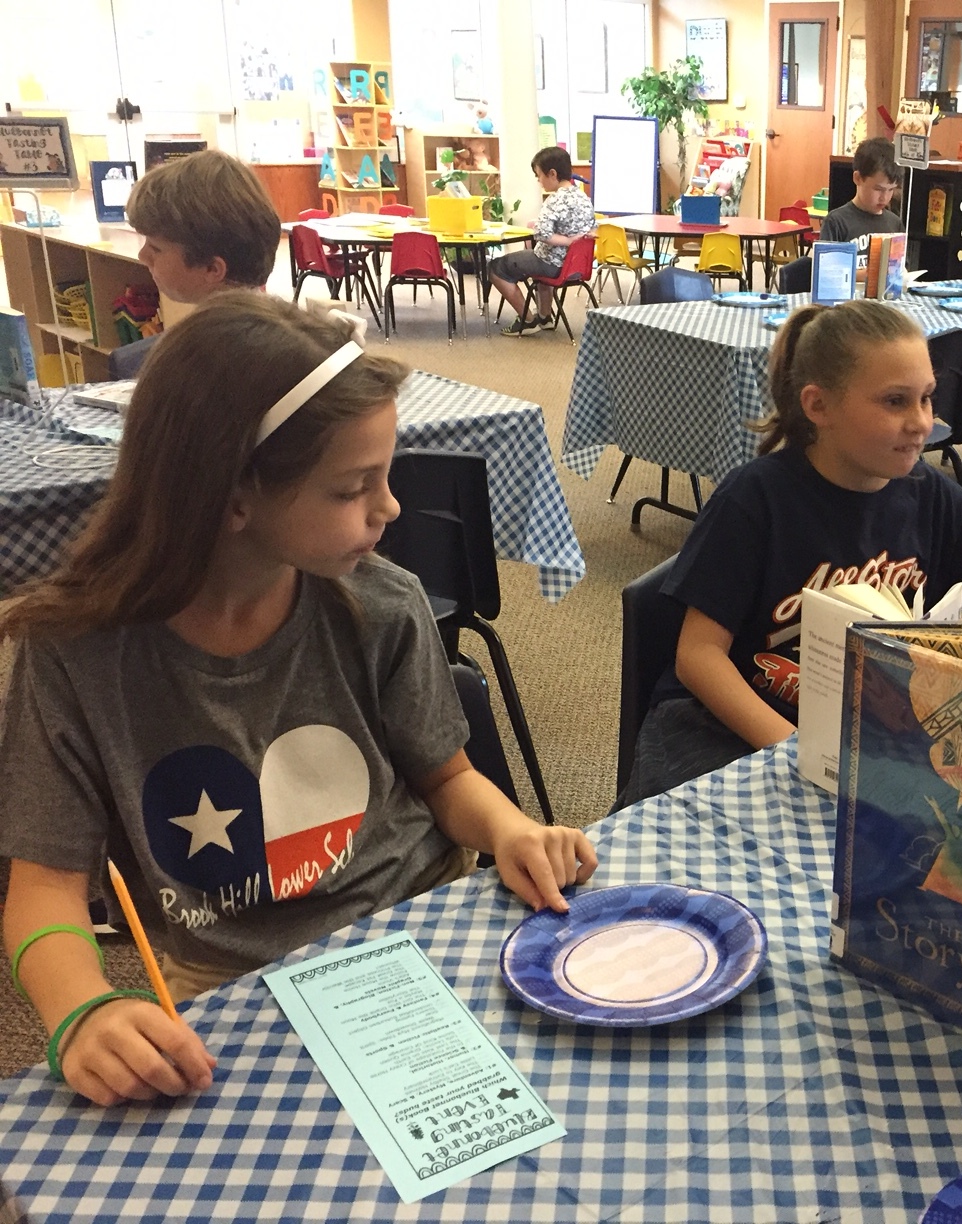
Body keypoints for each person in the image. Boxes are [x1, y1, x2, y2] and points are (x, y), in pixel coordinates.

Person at [0, 293, 598, 1107]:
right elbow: (44, 888)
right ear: (232, 496)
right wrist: (81, 1012)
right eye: (355, 486)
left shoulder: (383, 602)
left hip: (409, 919)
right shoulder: (75, 653)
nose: (389, 509)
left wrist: (512, 829)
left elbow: (449, 780)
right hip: (230, 973)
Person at [618, 300, 962, 807]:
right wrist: (795, 750)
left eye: (927, 399)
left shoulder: (928, 494)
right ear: (818, 407)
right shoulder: (754, 499)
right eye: (895, 402)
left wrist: (949, 642)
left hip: (867, 729)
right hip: (732, 729)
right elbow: (698, 657)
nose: (922, 423)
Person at [113, 149, 283, 378]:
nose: (143, 256)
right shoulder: (280, 335)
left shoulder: (194, 365)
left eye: (156, 248)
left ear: (212, 269)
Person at [491, 146, 595, 336]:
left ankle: (527, 320)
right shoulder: (583, 197)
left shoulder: (555, 200)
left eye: (539, 175)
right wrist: (568, 238)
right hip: (576, 265)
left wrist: (567, 240)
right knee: (533, 257)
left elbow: (542, 235)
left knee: (496, 267)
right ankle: (545, 316)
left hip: (553, 264)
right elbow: (585, 229)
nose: (539, 180)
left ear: (552, 174)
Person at [819, 138, 904, 245]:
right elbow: (827, 261)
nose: (885, 198)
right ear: (858, 178)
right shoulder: (836, 222)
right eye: (878, 189)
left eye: (891, 189)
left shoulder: (895, 224)